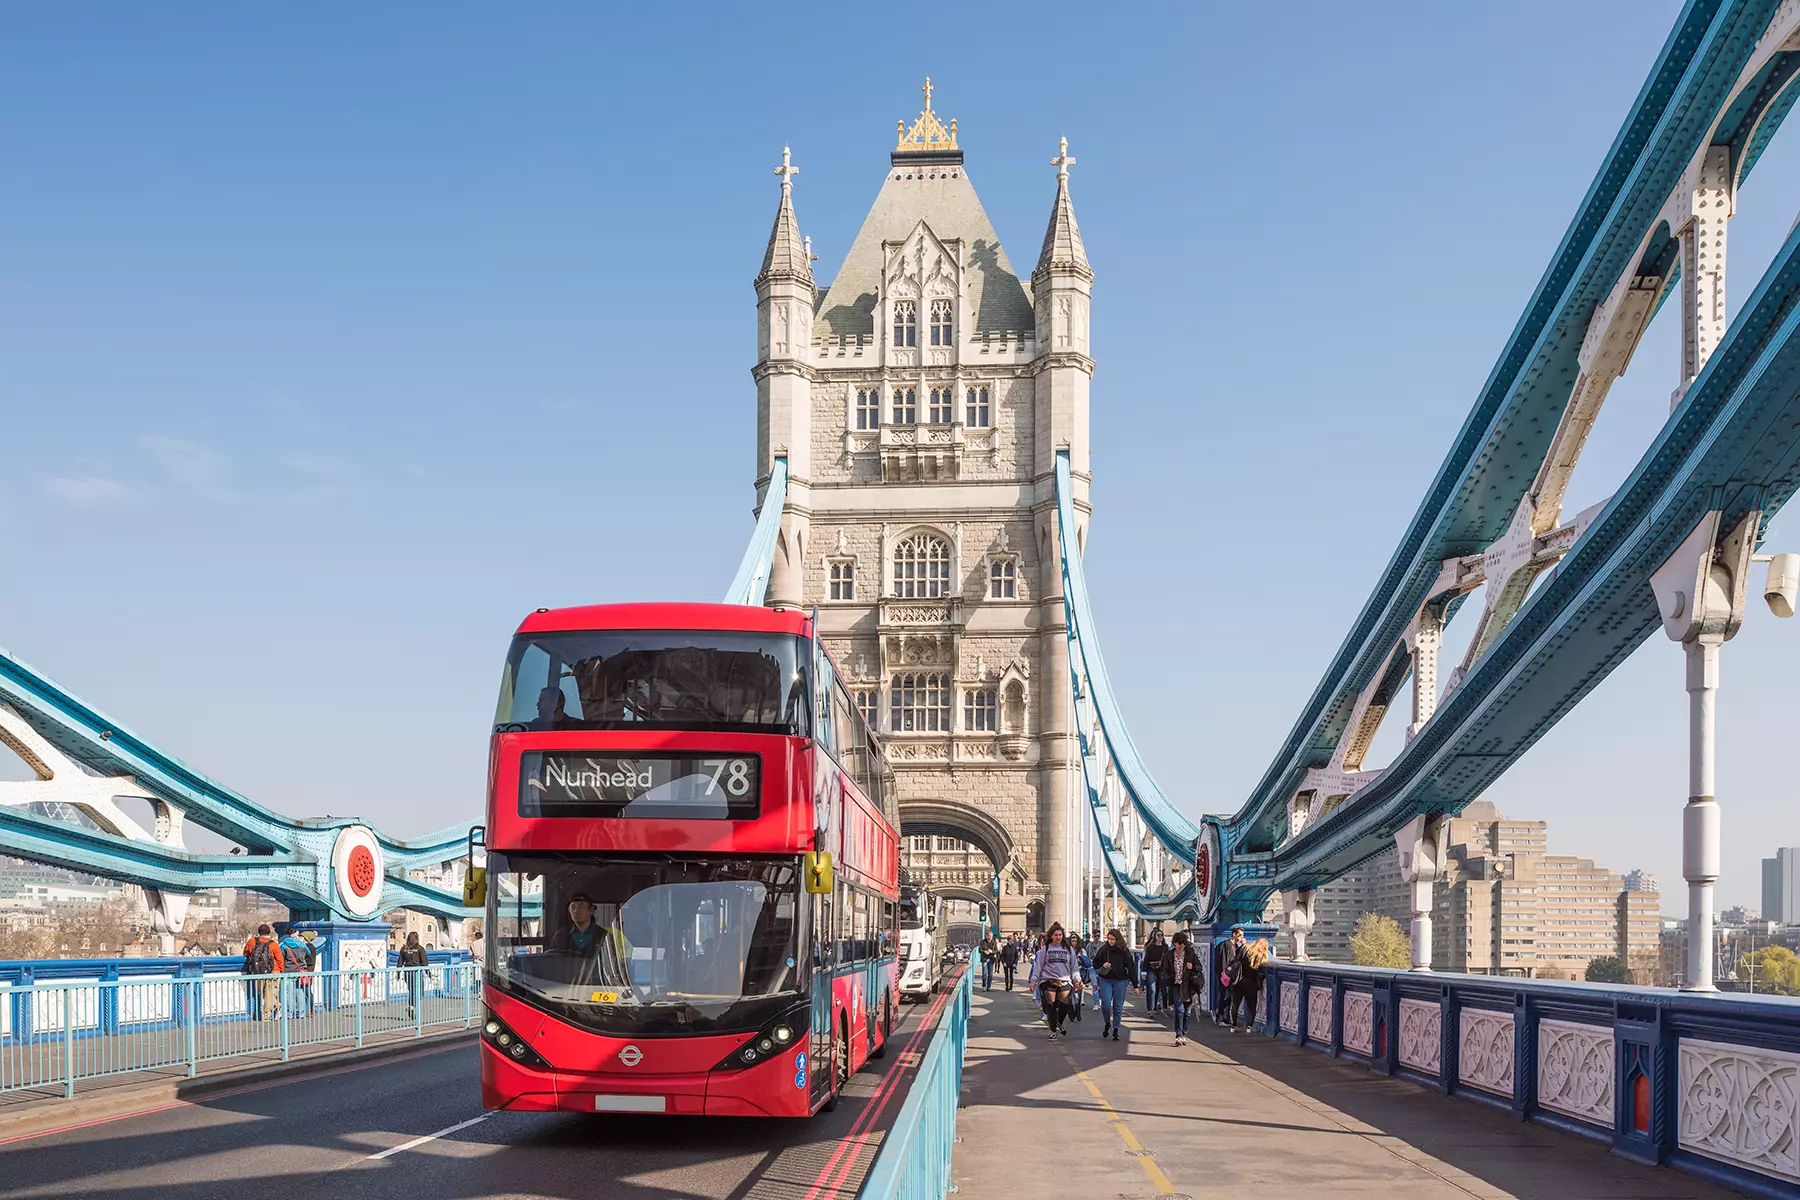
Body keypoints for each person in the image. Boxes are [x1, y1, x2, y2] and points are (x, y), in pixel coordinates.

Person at [1026, 923, 1083, 1039]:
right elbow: (1038, 966)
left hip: (1064, 980)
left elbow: (1074, 967)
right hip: (1048, 980)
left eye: (1060, 935)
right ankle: (1052, 1031)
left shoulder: (1068, 949)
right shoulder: (1045, 949)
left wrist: (1078, 981)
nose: (1058, 937)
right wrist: (1033, 981)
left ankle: (1059, 1023)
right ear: (1051, 936)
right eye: (1056, 935)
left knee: (1064, 1005)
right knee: (1051, 1006)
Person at [1091, 928, 1137, 1041]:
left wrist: (1136, 985)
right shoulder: (1104, 949)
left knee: (1118, 1006)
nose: (1110, 941)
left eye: (1113, 939)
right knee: (1105, 1005)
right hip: (1106, 979)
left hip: (1120, 980)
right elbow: (1095, 963)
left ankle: (1116, 1029)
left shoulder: (1124, 950)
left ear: (1117, 939)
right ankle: (1107, 1023)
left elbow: (1131, 967)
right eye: (1109, 939)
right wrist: (1103, 964)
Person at [1161, 930, 1202, 1046]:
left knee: (1188, 1012)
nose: (1181, 946)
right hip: (1175, 985)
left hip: (1188, 986)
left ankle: (1184, 1034)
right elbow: (1164, 970)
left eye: (1183, 944)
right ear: (1174, 943)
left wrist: (1192, 966)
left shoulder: (1190, 954)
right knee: (1180, 1010)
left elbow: (1199, 967)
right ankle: (1178, 1035)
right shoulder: (1169, 955)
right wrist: (1167, 978)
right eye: (1179, 944)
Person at [242, 924, 284, 1021]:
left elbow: (245, 953)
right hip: (273, 972)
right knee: (269, 994)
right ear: (269, 933)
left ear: (259, 932)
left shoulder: (252, 941)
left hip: (258, 972)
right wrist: (282, 971)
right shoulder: (273, 944)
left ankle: (275, 1007)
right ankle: (267, 1015)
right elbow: (280, 959)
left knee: (263, 993)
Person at [1230, 937, 1270, 1032]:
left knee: (1235, 1003)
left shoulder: (1244, 948)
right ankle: (1249, 1027)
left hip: (1238, 980)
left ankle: (1233, 1026)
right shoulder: (1260, 955)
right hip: (1251, 982)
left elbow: (1235, 959)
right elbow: (1260, 971)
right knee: (1251, 1005)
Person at [1214, 926, 1249, 1027]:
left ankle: (1223, 1015)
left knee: (1230, 996)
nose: (1242, 937)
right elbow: (1225, 962)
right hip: (1225, 975)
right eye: (1240, 935)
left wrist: (1243, 946)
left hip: (1232, 976)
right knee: (1225, 995)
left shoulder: (1236, 947)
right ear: (1234, 934)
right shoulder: (1226, 945)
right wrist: (1224, 975)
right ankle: (1221, 1016)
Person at [279, 927, 314, 1018]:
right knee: (300, 992)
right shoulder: (302, 945)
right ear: (297, 935)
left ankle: (289, 1013)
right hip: (301, 970)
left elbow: (281, 958)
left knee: (288, 993)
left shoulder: (284, 945)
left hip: (288, 970)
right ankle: (300, 1012)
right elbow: (308, 953)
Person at [399, 930, 430, 1020]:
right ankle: (412, 1006)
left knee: (412, 991)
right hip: (417, 973)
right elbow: (425, 963)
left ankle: (411, 1006)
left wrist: (398, 973)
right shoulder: (420, 949)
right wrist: (429, 974)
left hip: (407, 972)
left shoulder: (404, 949)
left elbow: (400, 962)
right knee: (420, 992)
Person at [1140, 929, 1169, 1016]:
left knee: (1158, 989)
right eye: (1158, 935)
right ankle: (1150, 1009)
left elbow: (1168, 960)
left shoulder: (1165, 947)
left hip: (1161, 970)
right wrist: (1143, 972)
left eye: (1161, 935)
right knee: (1152, 989)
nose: (1160, 937)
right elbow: (1145, 960)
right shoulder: (1150, 947)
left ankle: (1155, 1006)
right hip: (1151, 969)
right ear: (1154, 937)